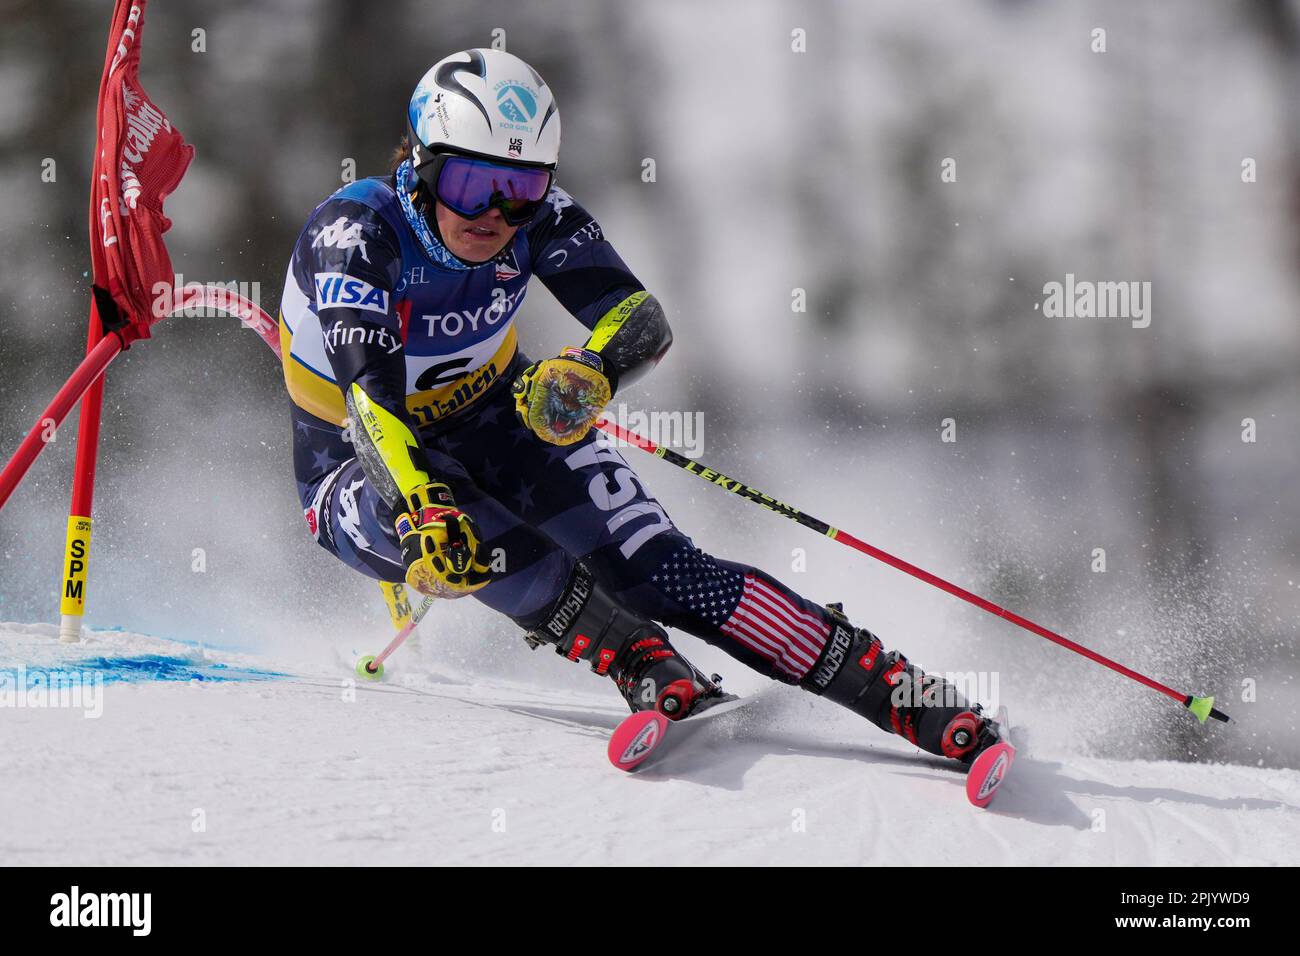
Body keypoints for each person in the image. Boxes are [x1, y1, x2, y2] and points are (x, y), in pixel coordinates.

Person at [279, 48, 999, 761]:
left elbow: (641, 319)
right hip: (356, 460)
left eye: (521, 189)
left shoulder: (541, 221)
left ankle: (901, 693)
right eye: (472, 183)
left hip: (502, 414)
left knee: (660, 569)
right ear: (422, 163)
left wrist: (591, 371)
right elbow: (370, 403)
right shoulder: (356, 234)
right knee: (480, 543)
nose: (496, 213)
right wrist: (418, 506)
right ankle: (641, 660)